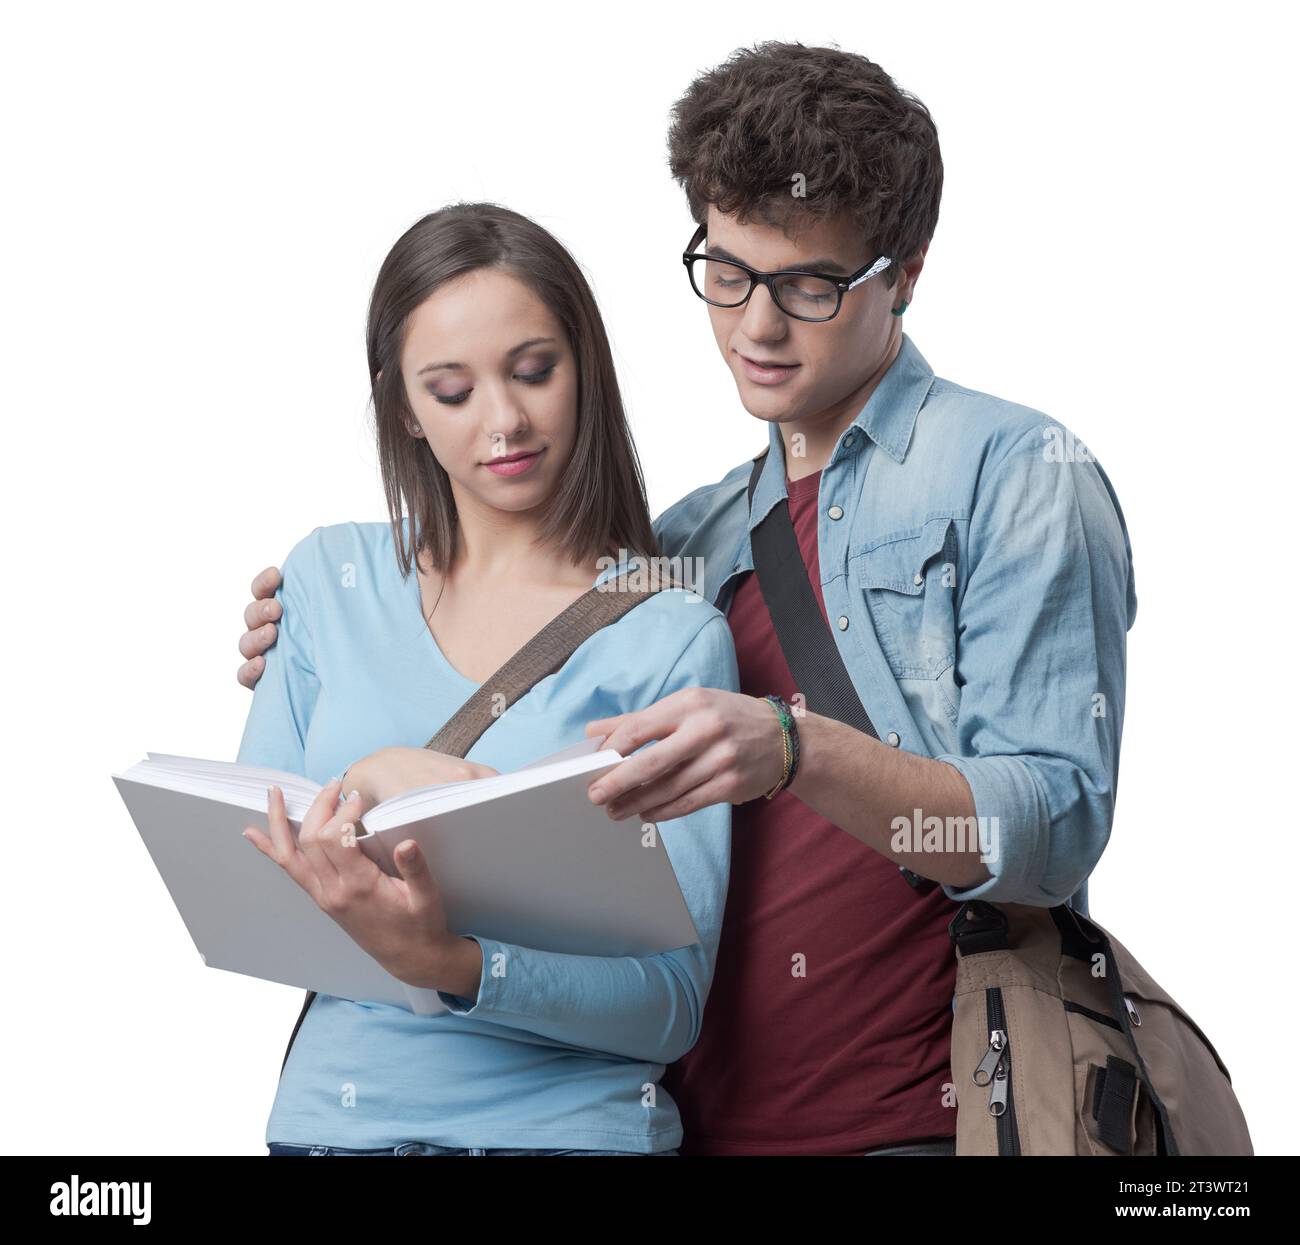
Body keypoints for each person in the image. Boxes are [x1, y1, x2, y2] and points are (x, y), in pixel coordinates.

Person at [238, 44, 1136, 1156]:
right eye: (727, 271)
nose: (756, 326)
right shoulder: (689, 543)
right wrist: (313, 631)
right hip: (695, 1121)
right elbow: (536, 683)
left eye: (809, 284)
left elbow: (1050, 824)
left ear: (903, 271)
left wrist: (794, 750)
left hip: (915, 1118)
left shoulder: (1013, 473)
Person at [234, 202, 738, 1156]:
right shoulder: (326, 584)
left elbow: (671, 1006)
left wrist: (456, 963)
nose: (504, 421)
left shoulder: (670, 639)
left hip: (567, 1138)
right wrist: (376, 776)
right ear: (404, 410)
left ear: (585, 367)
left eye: (535, 371)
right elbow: (260, 892)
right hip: (329, 1129)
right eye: (452, 390)